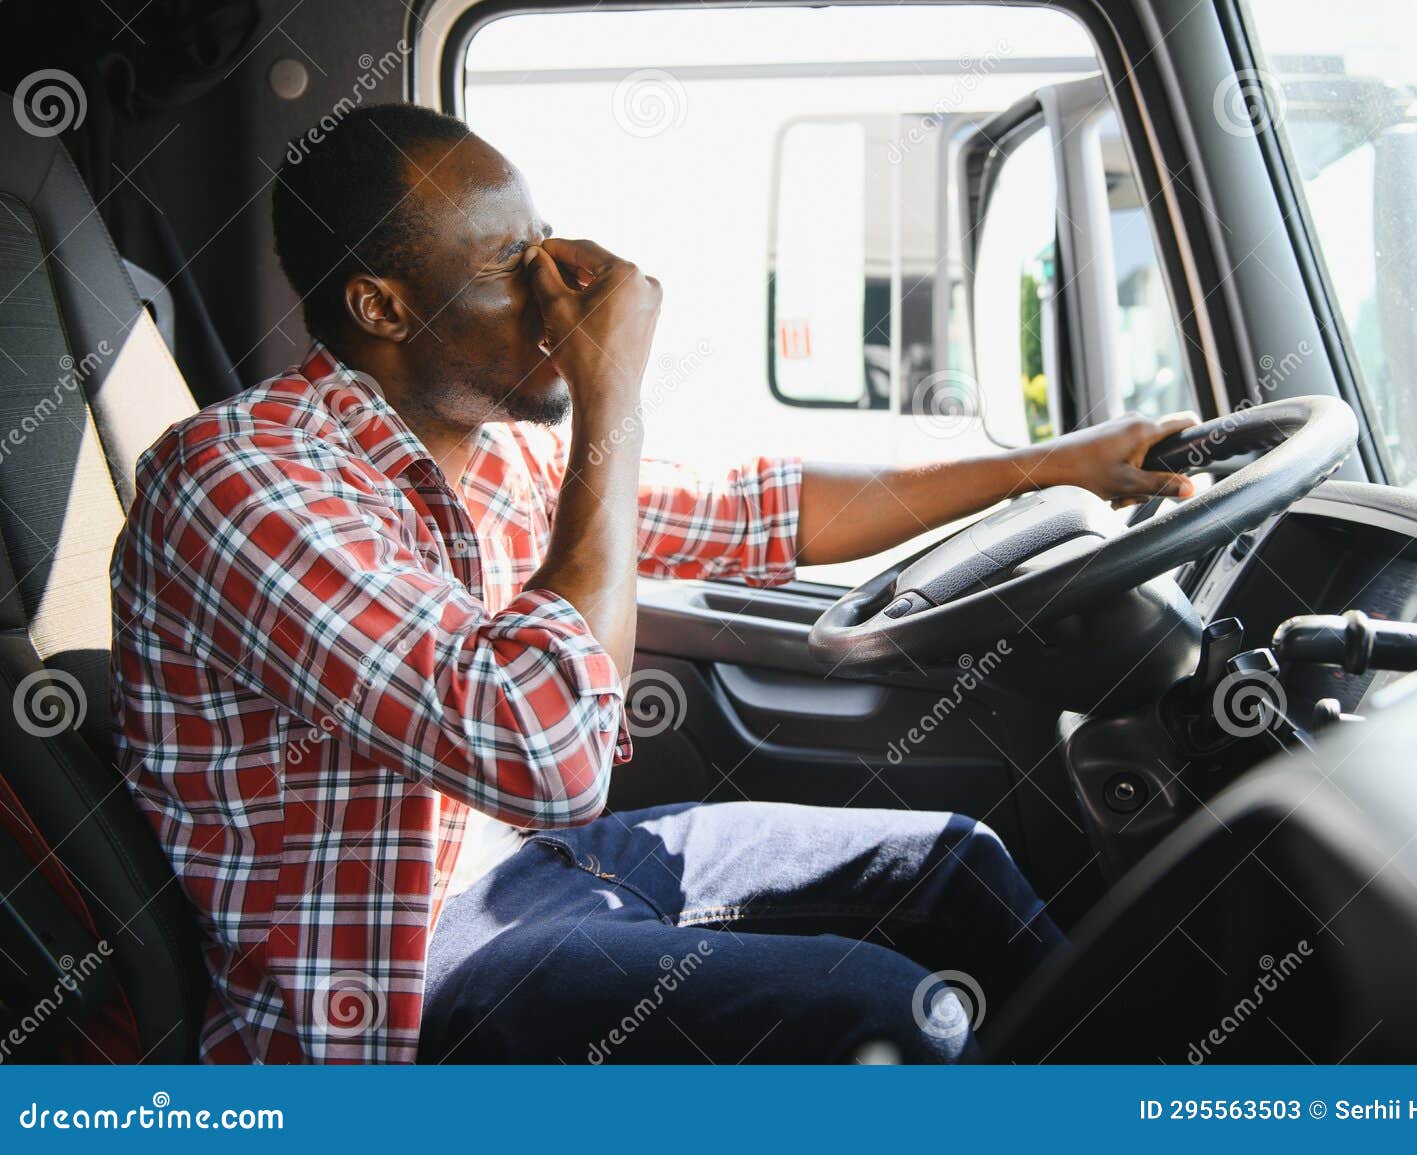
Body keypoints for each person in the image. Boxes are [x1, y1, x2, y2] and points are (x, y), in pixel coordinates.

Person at [111, 103, 1197, 1064]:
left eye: (546, 248)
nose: (555, 297)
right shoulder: (241, 480)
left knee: (956, 866)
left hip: (529, 866)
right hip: (398, 975)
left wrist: (1058, 464)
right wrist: (610, 393)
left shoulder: (493, 450)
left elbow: (766, 509)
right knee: (891, 1016)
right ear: (382, 308)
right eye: (510, 265)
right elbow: (548, 752)